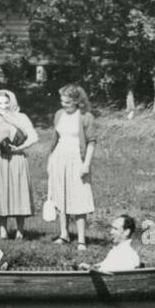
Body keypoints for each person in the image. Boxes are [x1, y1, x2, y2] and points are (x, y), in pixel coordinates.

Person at [46, 84, 97, 248]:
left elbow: (91, 142)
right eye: (62, 101)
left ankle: (81, 239)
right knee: (61, 197)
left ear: (77, 101)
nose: (63, 105)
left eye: (67, 102)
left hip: (77, 160)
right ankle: (64, 234)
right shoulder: (59, 115)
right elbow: (55, 140)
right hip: (59, 158)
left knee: (79, 198)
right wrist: (50, 159)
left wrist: (86, 164)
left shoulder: (85, 116)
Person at [0, 88, 38, 240]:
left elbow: (34, 137)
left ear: (11, 102)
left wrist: (19, 148)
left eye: (6, 102)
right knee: (1, 194)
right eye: (0, 103)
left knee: (19, 193)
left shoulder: (21, 117)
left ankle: (20, 232)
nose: (3, 106)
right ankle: (3, 231)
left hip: (17, 159)